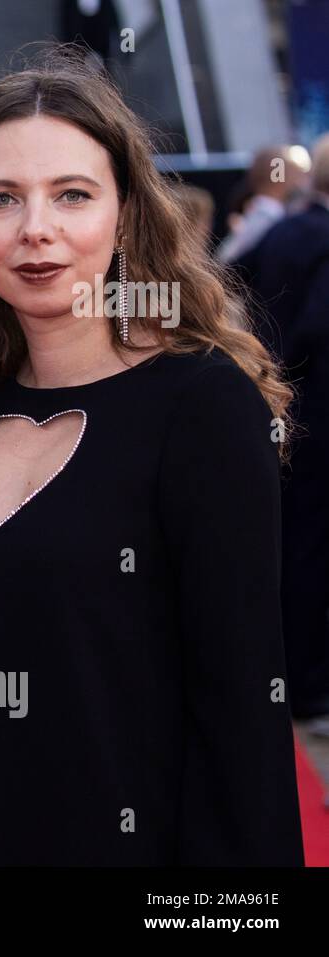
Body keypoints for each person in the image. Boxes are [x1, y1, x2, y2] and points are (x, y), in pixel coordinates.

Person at [0, 54, 304, 865]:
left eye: (72, 195)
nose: (35, 228)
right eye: (1, 199)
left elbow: (242, 709)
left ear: (122, 214)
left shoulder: (201, 404)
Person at [233, 132, 329, 726]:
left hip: (277, 406)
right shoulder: (317, 238)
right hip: (315, 411)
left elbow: (230, 283)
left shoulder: (281, 232)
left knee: (291, 544)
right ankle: (311, 685)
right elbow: (318, 328)